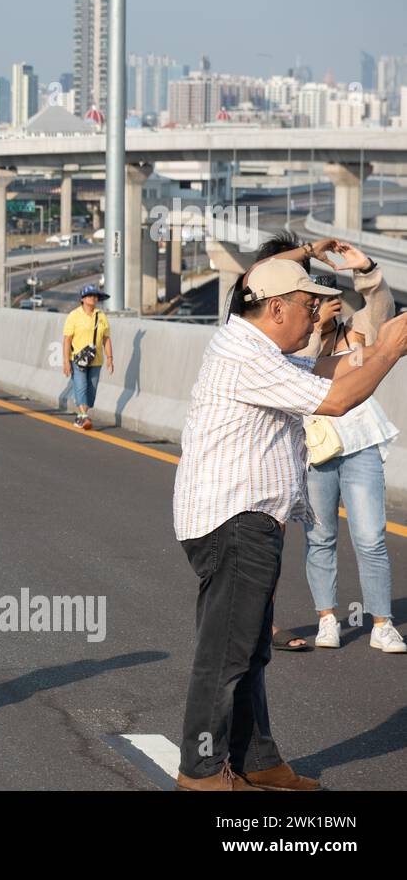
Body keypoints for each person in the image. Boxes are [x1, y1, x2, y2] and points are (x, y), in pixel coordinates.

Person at [172, 257, 407, 791]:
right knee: (227, 652)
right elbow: (339, 398)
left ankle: (256, 760)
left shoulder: (257, 349)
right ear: (276, 307)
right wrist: (391, 350)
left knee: (250, 647)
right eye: (308, 306)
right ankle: (200, 770)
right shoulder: (244, 355)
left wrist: (376, 347)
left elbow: (326, 372)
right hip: (235, 520)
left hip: (248, 519)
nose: (317, 316)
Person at [61, 284, 115, 430]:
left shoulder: (101, 316)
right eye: (90, 295)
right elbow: (67, 340)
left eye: (95, 296)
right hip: (77, 359)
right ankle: (84, 417)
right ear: (83, 299)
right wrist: (66, 361)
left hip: (96, 360)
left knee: (91, 391)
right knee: (81, 386)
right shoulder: (74, 316)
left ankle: (81, 416)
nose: (93, 298)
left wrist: (110, 357)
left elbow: (106, 338)